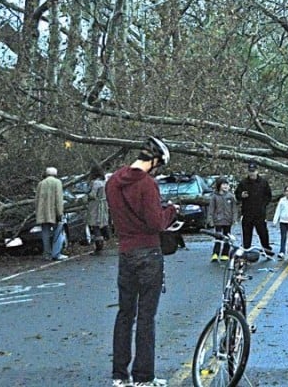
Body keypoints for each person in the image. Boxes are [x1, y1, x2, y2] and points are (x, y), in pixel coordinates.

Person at [105, 136, 179, 387]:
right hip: (148, 252)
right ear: (155, 160)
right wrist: (172, 211)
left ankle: (119, 375)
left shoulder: (113, 181)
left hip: (125, 252)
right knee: (146, 317)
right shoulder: (147, 185)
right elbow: (156, 223)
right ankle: (143, 377)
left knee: (125, 313)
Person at [235, 161, 273, 252]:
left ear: (257, 171)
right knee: (247, 233)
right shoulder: (243, 183)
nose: (252, 173)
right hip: (247, 212)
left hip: (260, 213)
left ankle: (267, 249)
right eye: (250, 171)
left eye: (253, 171)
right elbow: (237, 195)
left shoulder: (263, 182)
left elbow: (268, 196)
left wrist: (263, 205)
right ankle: (246, 249)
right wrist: (241, 196)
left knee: (263, 232)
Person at [35, 167, 67, 261]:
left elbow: (37, 199)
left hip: (43, 212)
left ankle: (47, 254)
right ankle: (56, 253)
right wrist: (60, 212)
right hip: (53, 212)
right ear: (55, 174)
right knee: (58, 232)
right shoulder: (57, 182)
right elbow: (58, 199)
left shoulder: (41, 183)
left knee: (45, 233)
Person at [208, 178, 239, 262]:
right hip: (218, 220)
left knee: (227, 237)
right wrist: (210, 220)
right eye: (223, 184)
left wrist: (234, 219)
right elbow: (211, 209)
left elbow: (234, 209)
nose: (226, 186)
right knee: (218, 237)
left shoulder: (230, 196)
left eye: (227, 184)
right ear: (219, 186)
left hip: (228, 220)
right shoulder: (214, 196)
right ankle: (215, 253)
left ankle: (225, 254)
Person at [87, 166, 110, 254]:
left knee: (95, 224)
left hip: (96, 205)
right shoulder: (104, 182)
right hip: (104, 204)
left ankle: (98, 246)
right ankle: (105, 238)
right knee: (103, 223)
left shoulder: (95, 183)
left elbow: (93, 195)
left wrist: (88, 195)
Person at [272, 185, 288, 260]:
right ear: (284, 192)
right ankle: (282, 251)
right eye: (287, 191)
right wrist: (275, 220)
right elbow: (278, 210)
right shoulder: (282, 200)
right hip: (283, 221)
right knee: (283, 237)